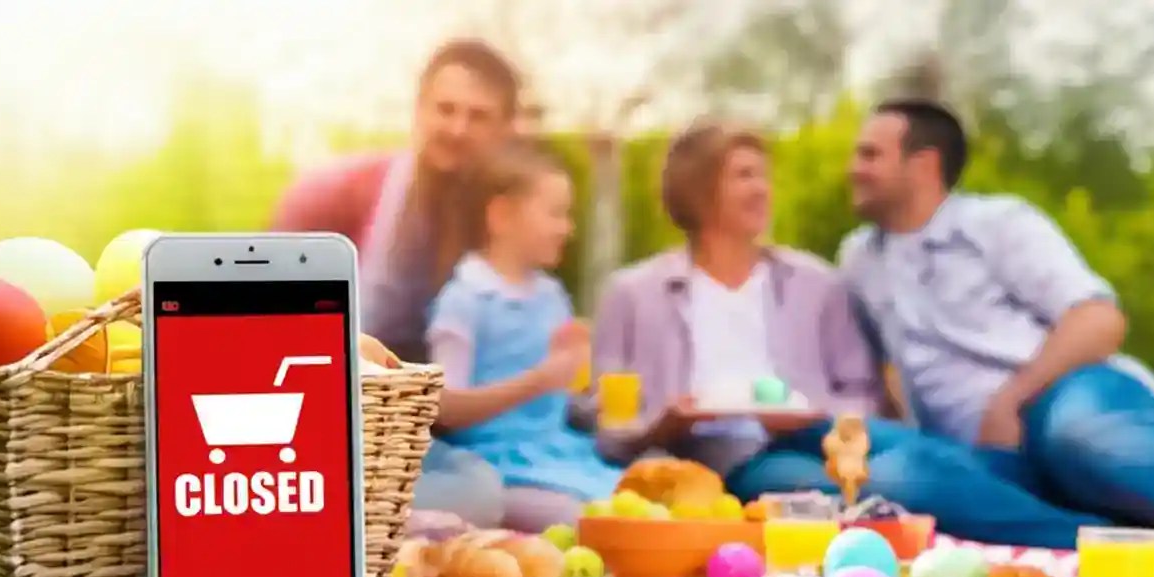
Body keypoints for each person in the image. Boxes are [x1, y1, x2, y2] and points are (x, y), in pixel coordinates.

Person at [836, 98, 1154, 562]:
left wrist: (1012, 401)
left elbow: (1098, 318)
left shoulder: (995, 223)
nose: (852, 169)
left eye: (869, 155)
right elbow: (885, 372)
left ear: (923, 165)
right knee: (899, 477)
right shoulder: (860, 259)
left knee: (1078, 438)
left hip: (1063, 396)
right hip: (982, 452)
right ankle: (1139, 546)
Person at [270, 39, 521, 528]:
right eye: (445, 109)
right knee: (482, 496)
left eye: (478, 116)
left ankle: (351, 515)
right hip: (317, 409)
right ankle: (335, 517)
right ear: (419, 110)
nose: (457, 128)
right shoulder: (336, 195)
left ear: (505, 130)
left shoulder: (497, 215)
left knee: (486, 486)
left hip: (420, 426)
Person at [592, 119, 883, 503]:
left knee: (918, 456)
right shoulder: (632, 294)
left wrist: (815, 414)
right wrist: (661, 425)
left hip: (823, 436)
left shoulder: (815, 283)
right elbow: (607, 424)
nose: (762, 189)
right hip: (729, 454)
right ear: (697, 191)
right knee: (884, 485)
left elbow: (862, 390)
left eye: (763, 176)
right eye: (744, 176)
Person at [426, 142, 619, 532]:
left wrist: (588, 392)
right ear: (501, 216)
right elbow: (443, 407)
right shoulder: (465, 300)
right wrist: (540, 380)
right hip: (498, 465)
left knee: (641, 504)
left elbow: (563, 403)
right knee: (588, 524)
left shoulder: (551, 296)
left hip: (561, 454)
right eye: (555, 214)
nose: (567, 228)